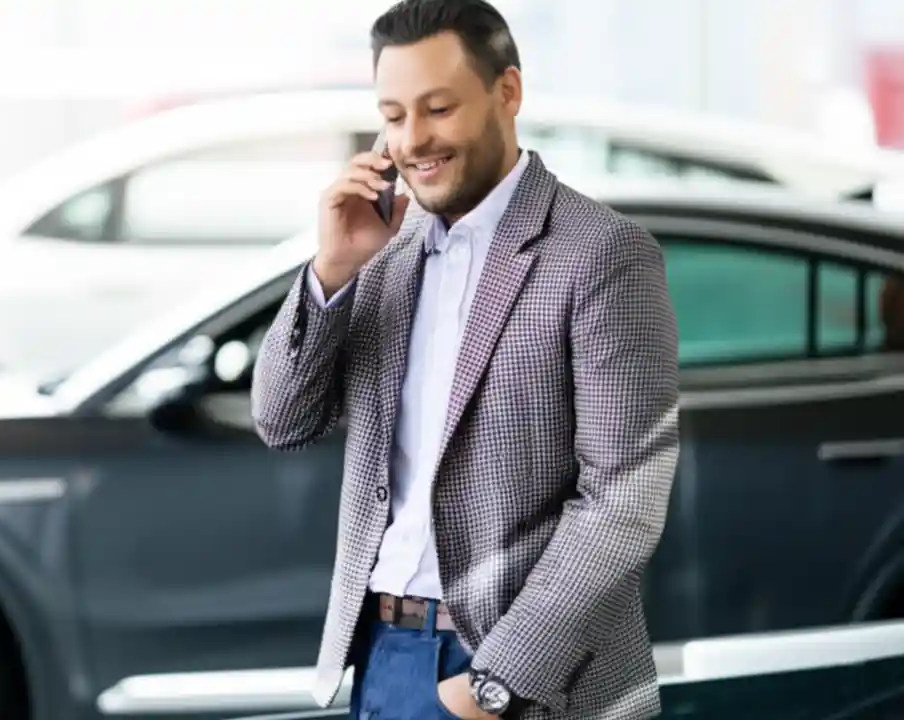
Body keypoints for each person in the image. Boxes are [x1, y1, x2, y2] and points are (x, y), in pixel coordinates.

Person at [250, 1, 680, 718]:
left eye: (439, 108)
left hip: (519, 678)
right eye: (393, 116)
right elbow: (283, 421)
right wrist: (333, 270)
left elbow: (623, 502)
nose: (412, 139)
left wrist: (491, 686)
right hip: (383, 653)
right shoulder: (384, 248)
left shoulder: (603, 253)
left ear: (507, 92)